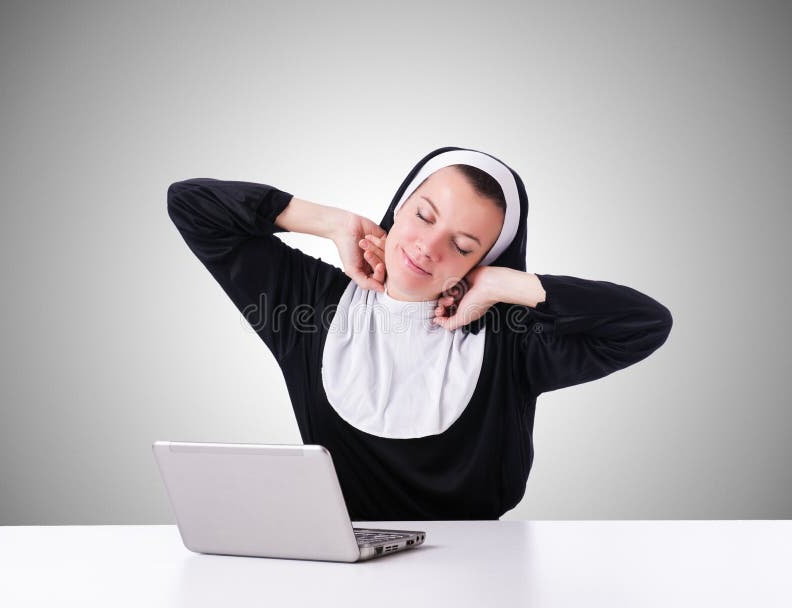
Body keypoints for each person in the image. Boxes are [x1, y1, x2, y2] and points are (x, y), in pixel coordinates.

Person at [167, 146, 673, 520]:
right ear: (399, 207)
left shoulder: (512, 340)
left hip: (490, 574)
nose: (428, 247)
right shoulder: (309, 304)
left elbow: (644, 324)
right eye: (423, 216)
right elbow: (191, 204)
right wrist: (332, 223)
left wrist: (507, 285)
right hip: (347, 568)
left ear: (484, 262)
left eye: (463, 245)